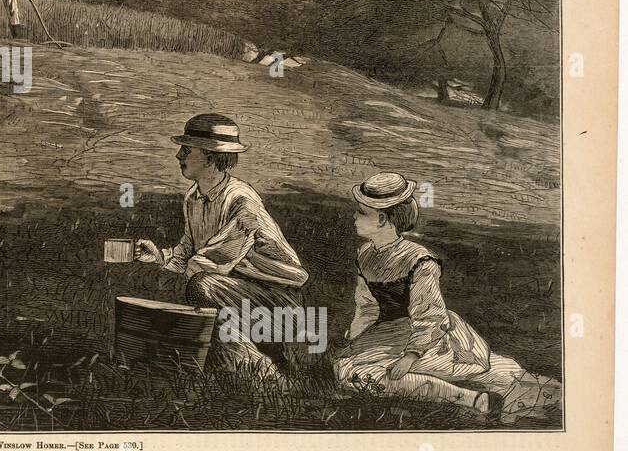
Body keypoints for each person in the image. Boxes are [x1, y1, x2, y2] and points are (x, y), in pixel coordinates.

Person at [334, 172, 556, 417]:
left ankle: (472, 400)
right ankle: (477, 393)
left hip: (425, 336)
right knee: (346, 370)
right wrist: (356, 337)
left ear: (383, 219)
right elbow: (366, 305)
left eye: (361, 212)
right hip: (387, 334)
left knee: (362, 376)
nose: (354, 216)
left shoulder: (418, 259)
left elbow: (429, 313)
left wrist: (410, 356)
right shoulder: (365, 254)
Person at [136, 114, 309, 373]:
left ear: (210, 157)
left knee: (203, 285)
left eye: (186, 150)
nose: (178, 156)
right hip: (237, 293)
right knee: (205, 291)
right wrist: (160, 257)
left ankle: (263, 372)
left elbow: (214, 260)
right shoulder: (193, 198)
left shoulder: (241, 199)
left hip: (281, 304)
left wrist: (191, 266)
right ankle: (262, 364)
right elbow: (189, 250)